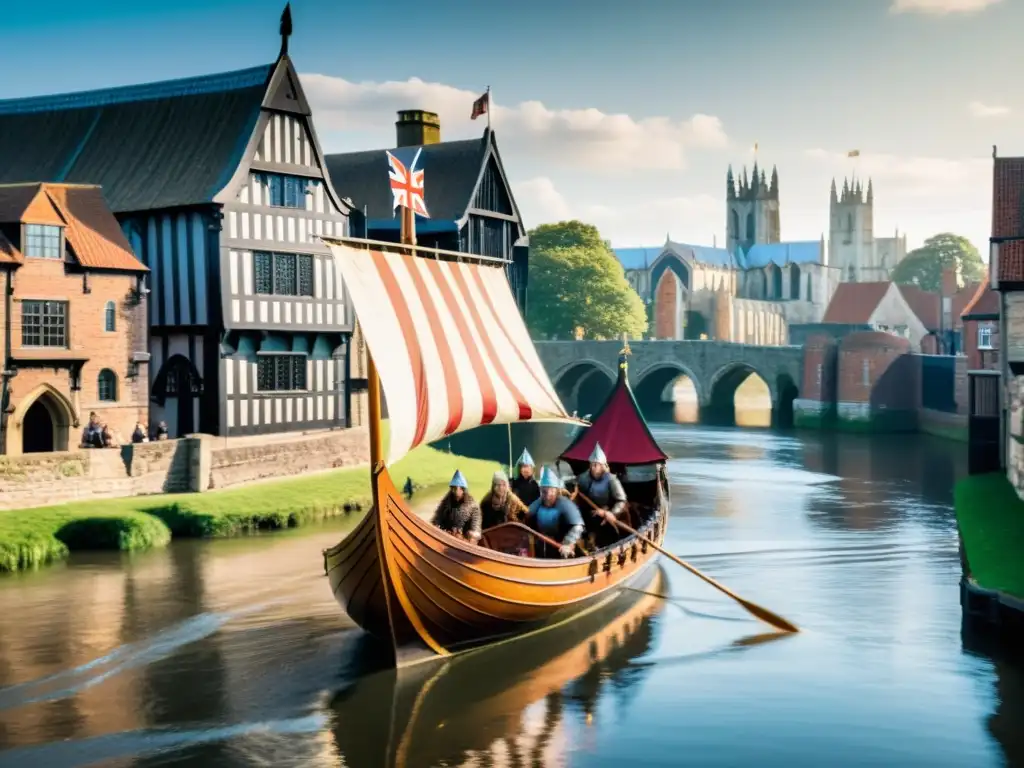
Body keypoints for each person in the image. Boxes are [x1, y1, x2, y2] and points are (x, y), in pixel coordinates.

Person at [576, 442, 628, 548]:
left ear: (603, 465)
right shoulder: (582, 478)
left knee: (607, 532)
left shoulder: (611, 479)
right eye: (593, 464)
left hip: (605, 513)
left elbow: (621, 500)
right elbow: (576, 493)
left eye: (598, 465)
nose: (595, 467)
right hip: (587, 512)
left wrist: (611, 513)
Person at [525, 466, 585, 558]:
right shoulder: (537, 504)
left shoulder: (565, 504)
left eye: (552, 490)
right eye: (545, 491)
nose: (548, 494)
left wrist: (568, 543)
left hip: (562, 551)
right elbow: (527, 520)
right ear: (541, 490)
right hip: (542, 550)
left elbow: (578, 526)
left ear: (557, 490)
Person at [431, 470, 482, 544]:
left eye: (455, 488)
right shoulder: (447, 501)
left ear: (462, 489)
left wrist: (472, 534)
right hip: (446, 536)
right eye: (452, 488)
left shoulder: (473, 506)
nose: (453, 491)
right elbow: (437, 518)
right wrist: (437, 527)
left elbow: (476, 527)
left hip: (464, 541)